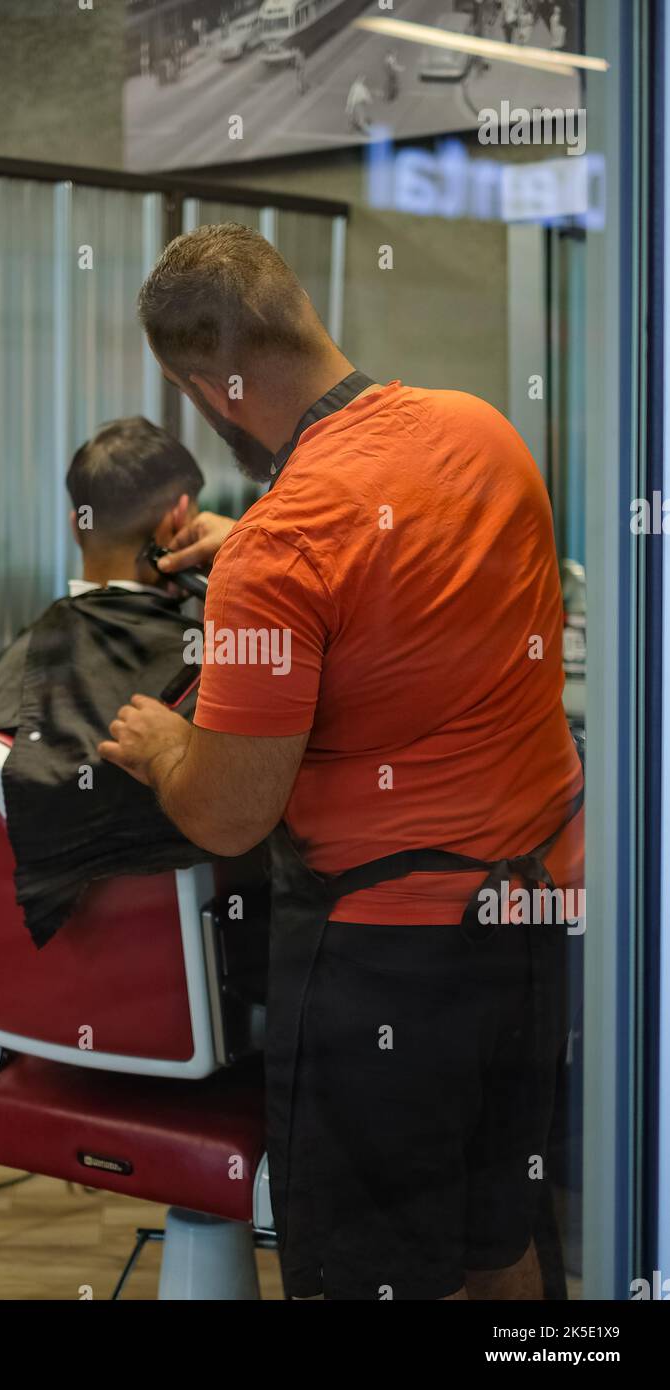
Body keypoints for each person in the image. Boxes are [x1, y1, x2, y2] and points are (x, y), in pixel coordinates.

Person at [100, 223, 585, 1301]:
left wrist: (166, 742)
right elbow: (397, 558)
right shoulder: (480, 430)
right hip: (530, 917)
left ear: (207, 388)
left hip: (391, 963)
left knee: (373, 1276)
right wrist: (266, 536)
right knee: (495, 1238)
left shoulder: (279, 552)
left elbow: (229, 813)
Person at [0, 418, 209, 948]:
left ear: (76, 525)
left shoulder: (34, 651)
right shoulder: (211, 656)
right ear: (178, 521)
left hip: (19, 998)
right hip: (171, 992)